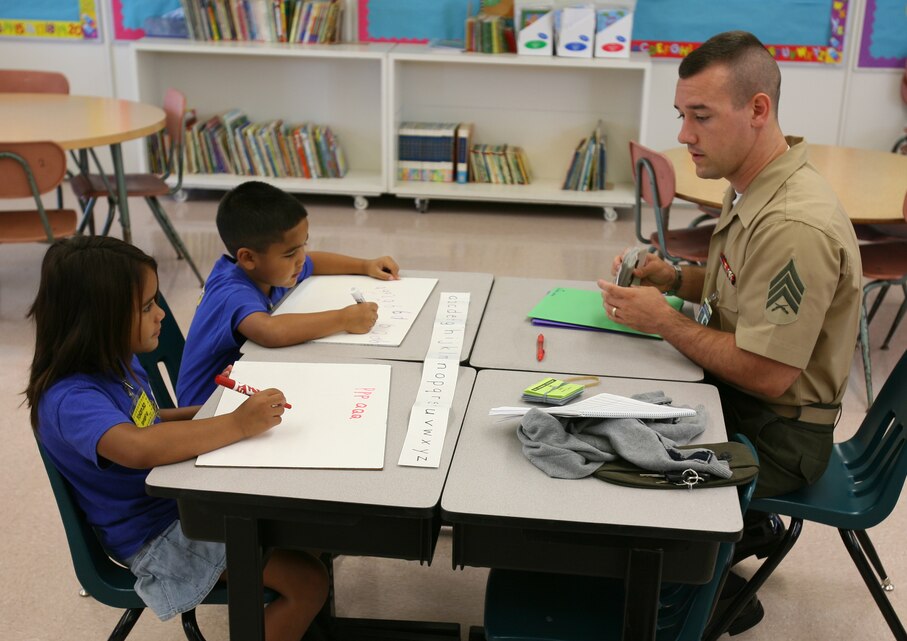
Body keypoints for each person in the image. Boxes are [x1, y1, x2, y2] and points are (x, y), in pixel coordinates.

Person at [598, 30, 861, 633]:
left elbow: (769, 374)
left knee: (616, 459)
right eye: (681, 115)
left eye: (701, 116)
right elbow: (740, 295)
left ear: (758, 110)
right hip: (749, 403)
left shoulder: (795, 223)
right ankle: (727, 539)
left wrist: (663, 320)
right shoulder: (755, 183)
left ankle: (694, 599)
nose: (685, 134)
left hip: (778, 435)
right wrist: (675, 279)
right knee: (615, 411)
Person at [25, 236, 329, 641]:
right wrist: (235, 425)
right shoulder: (70, 399)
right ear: (99, 319)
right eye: (148, 307)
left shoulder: (113, 359)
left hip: (180, 500)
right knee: (308, 583)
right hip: (158, 537)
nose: (161, 316)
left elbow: (146, 422)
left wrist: (211, 411)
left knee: (308, 527)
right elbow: (137, 446)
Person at [177, 180, 400, 406]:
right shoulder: (230, 292)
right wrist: (344, 319)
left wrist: (365, 265)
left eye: (303, 245)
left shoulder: (267, 270)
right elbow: (270, 331)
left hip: (244, 383)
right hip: (206, 406)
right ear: (248, 258)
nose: (301, 258)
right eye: (291, 253)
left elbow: (314, 262)